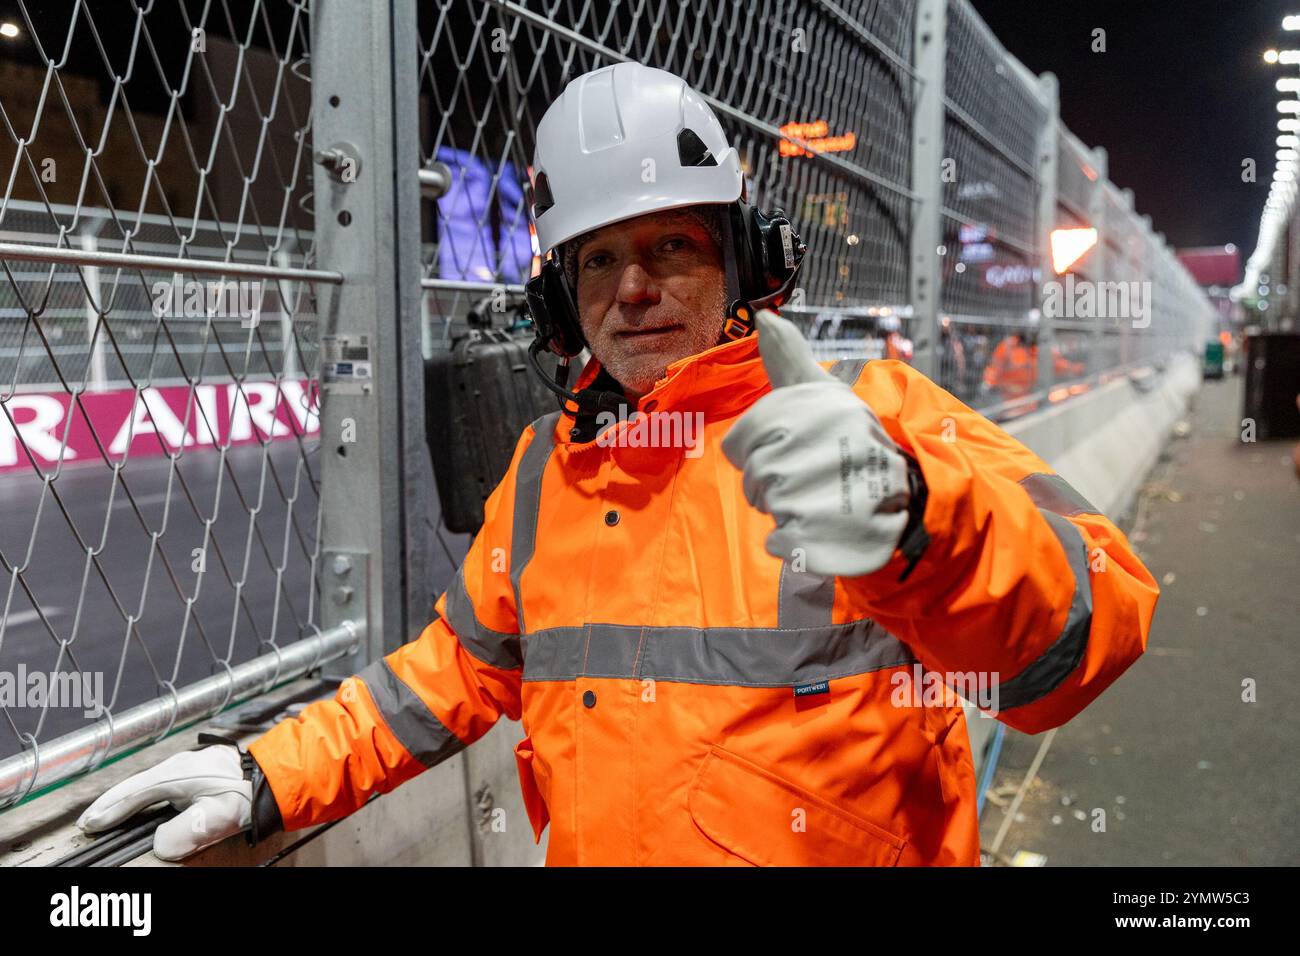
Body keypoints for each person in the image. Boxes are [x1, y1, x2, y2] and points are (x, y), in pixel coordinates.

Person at [78, 63, 1159, 866]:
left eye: (671, 247)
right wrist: (269, 770)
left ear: (740, 264)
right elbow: (442, 678)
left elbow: (1093, 625)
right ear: (559, 301)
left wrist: (922, 527)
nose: (632, 287)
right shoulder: (549, 475)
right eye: (599, 259)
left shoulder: (879, 420)